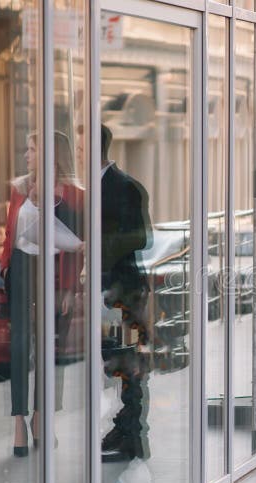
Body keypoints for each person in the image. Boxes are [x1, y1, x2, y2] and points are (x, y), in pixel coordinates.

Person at [0, 131, 84, 457]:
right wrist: (7, 266)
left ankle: (41, 416)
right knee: (20, 344)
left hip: (53, 272)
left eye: (32, 149)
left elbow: (75, 244)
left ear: (51, 154)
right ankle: (19, 420)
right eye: (28, 148)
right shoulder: (20, 188)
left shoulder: (73, 195)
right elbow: (11, 231)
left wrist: (68, 287)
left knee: (51, 349)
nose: (27, 155)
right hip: (22, 268)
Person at [97, 124, 154, 463]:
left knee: (128, 365)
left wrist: (100, 245)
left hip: (125, 289)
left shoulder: (124, 186)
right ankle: (124, 427)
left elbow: (141, 237)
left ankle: (131, 437)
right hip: (107, 289)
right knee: (115, 362)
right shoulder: (97, 188)